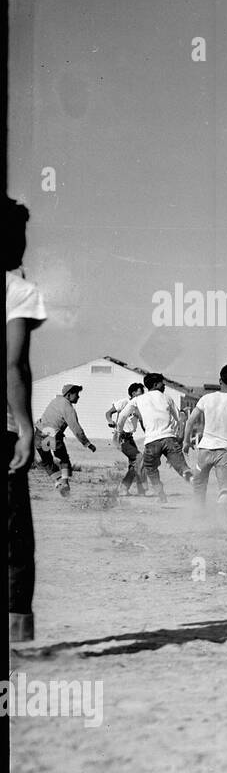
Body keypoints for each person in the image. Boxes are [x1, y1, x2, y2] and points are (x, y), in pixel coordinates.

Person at [7, 197, 47, 642]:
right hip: (4, 429)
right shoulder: (16, 290)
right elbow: (14, 365)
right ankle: (15, 639)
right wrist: (25, 427)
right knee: (15, 534)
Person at [115, 372, 194, 503]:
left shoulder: (138, 400)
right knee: (182, 468)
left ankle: (161, 494)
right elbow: (179, 418)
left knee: (151, 468)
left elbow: (122, 416)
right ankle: (194, 482)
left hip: (151, 442)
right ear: (156, 384)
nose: (164, 385)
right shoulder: (167, 398)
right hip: (169, 439)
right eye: (162, 383)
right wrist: (180, 436)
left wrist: (118, 431)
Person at [182, 363, 227, 512]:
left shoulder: (206, 398)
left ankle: (199, 515)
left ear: (220, 381)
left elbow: (190, 421)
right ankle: (220, 508)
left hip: (205, 449)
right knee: (225, 489)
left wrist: (186, 441)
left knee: (199, 485)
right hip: (225, 451)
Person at [35, 384, 96, 496]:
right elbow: (76, 429)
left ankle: (58, 482)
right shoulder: (68, 407)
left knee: (47, 461)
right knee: (64, 459)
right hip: (52, 435)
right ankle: (65, 484)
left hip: (39, 433)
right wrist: (87, 444)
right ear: (68, 395)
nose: (78, 397)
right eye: (76, 394)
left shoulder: (55, 401)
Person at [107, 382, 148, 496]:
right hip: (121, 437)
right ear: (133, 393)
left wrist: (150, 434)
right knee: (139, 458)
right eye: (140, 393)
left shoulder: (139, 407)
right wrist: (110, 421)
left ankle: (127, 489)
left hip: (130, 438)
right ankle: (138, 488)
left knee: (135, 464)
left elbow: (142, 423)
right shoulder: (124, 402)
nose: (142, 396)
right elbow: (108, 413)